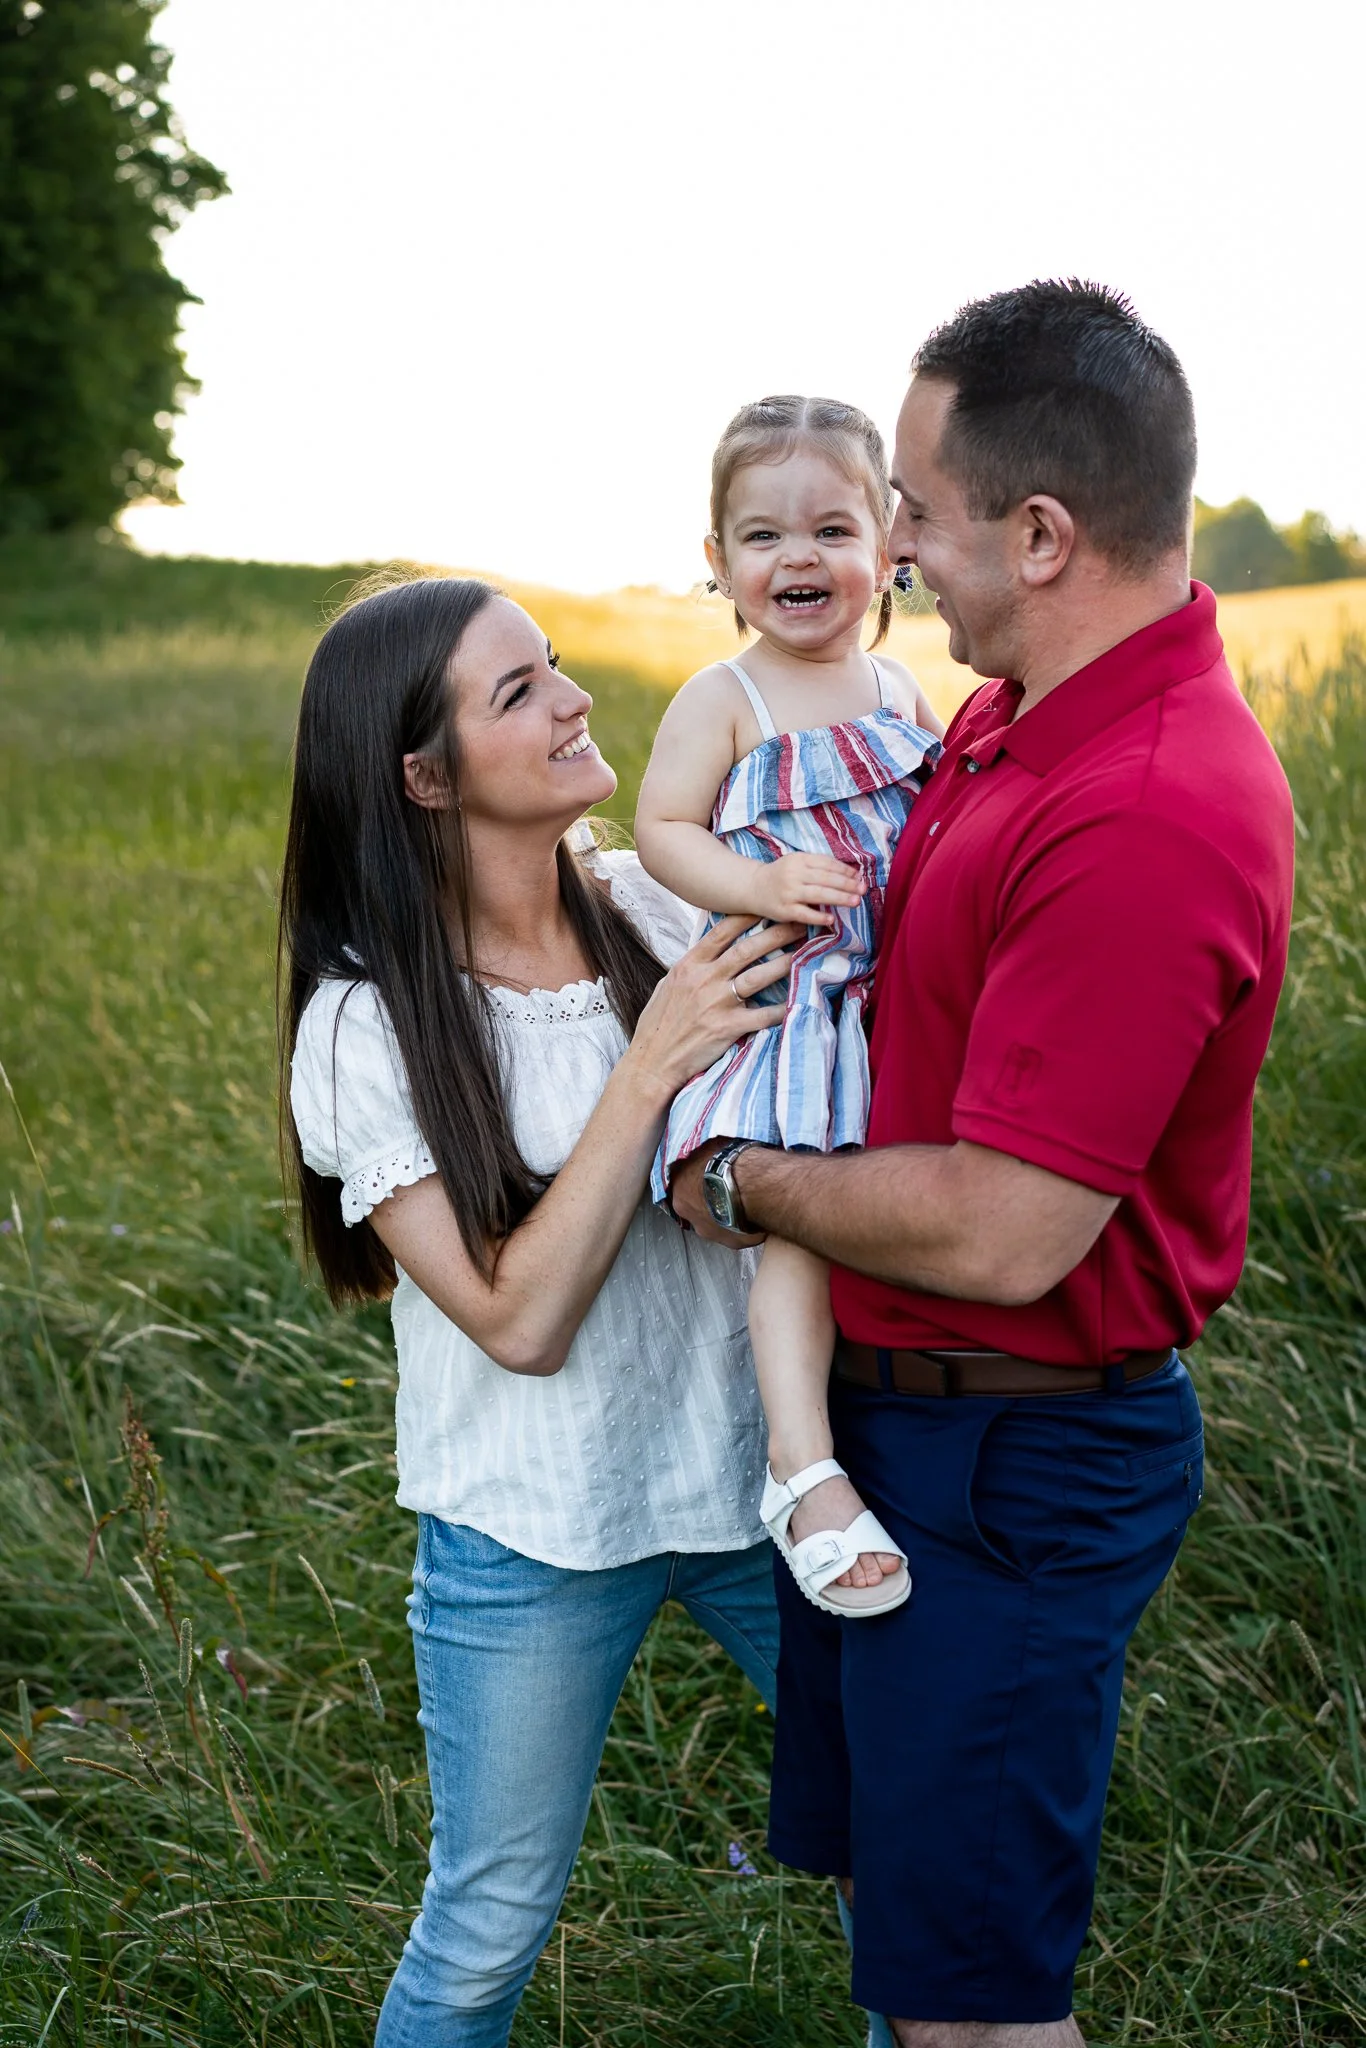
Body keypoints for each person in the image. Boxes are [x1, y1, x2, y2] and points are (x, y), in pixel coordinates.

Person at [672, 281, 1296, 2047]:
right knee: (906, 1936)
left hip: (1012, 1460)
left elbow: (1012, 1227)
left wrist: (732, 1184)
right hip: (898, 1427)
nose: (901, 552)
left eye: (920, 514)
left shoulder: (1151, 805)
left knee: (977, 2011)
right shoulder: (1007, 712)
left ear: (1039, 532)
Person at [278, 574, 803, 2048]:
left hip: (762, 1491)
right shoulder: (362, 1026)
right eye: (519, 692)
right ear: (425, 779)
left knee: (907, 1844)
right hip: (529, 1532)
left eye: (555, 667)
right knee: (491, 1913)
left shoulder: (657, 898)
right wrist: (649, 1071)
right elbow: (517, 1324)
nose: (575, 699)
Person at [635, 395, 943, 1616]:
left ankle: (879, 1430)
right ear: (718, 565)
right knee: (805, 1221)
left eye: (830, 529)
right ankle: (798, 1459)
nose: (798, 559)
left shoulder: (899, 688)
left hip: (893, 993)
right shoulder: (727, 698)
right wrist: (756, 880)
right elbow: (661, 829)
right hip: (794, 996)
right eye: (762, 537)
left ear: (888, 545)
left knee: (906, 1208)